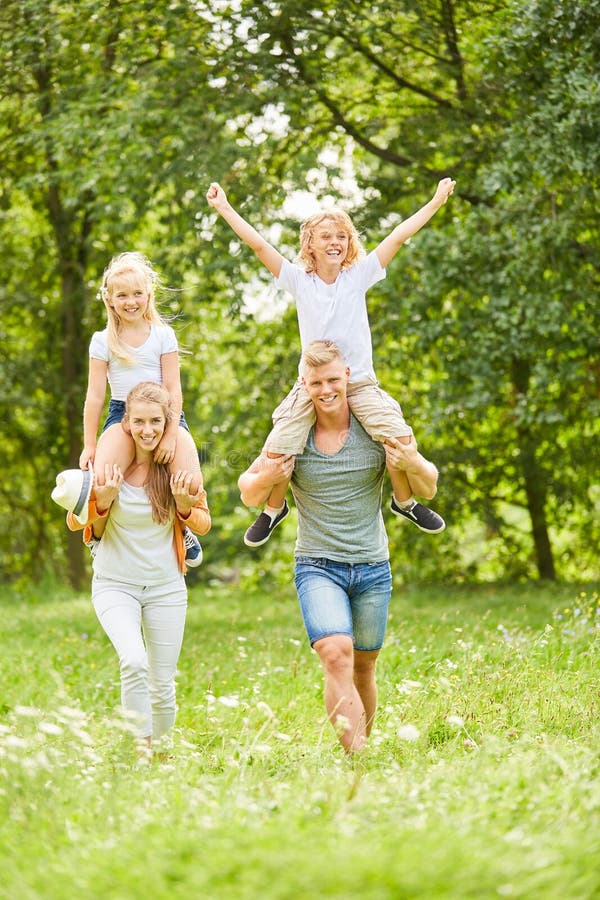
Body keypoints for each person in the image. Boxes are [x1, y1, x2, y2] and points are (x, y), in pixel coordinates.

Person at [207, 177, 454, 548]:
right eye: (326, 236)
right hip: (313, 382)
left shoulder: (358, 276)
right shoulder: (298, 280)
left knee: (400, 439)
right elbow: (258, 244)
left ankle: (404, 501)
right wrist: (225, 207)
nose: (335, 242)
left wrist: (435, 201)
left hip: (359, 382)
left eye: (341, 236)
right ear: (310, 245)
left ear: (349, 243)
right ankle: (274, 509)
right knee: (279, 447)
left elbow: (398, 237)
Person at [238, 341, 439, 754]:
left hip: (371, 567)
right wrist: (270, 476)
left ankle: (363, 750)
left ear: (348, 376)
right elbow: (247, 491)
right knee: (336, 654)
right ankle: (358, 757)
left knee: (364, 665)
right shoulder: (293, 432)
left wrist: (411, 463)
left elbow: (430, 483)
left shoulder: (373, 427)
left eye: (333, 379)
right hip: (317, 566)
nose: (326, 389)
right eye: (316, 382)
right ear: (303, 385)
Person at [58, 381, 211, 756]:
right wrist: (104, 502)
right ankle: (141, 754)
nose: (147, 430)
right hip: (115, 585)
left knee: (162, 683)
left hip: (166, 588)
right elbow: (80, 526)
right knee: (133, 661)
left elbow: (204, 523)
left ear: (167, 422)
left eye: (155, 421)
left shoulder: (174, 469)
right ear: (127, 422)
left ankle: (162, 755)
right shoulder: (111, 471)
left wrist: (185, 506)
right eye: (139, 421)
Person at [79, 251, 203, 566]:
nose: (130, 301)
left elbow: (174, 388)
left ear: (148, 295)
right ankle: (97, 535)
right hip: (122, 414)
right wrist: (90, 444)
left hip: (164, 414)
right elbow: (95, 396)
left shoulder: (163, 336)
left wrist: (172, 432)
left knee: (186, 477)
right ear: (109, 299)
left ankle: (185, 527)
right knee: (105, 477)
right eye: (122, 295)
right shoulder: (102, 341)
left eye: (137, 294)